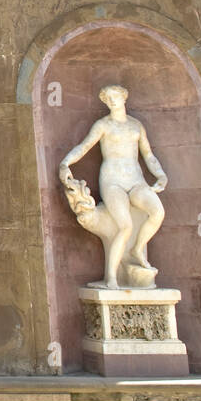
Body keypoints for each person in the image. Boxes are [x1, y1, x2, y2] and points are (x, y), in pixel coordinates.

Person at [58, 85, 167, 289]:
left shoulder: (136, 126)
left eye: (115, 96)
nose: (112, 101)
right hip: (112, 180)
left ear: (124, 98)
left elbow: (149, 155)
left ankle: (136, 249)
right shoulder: (103, 125)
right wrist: (65, 163)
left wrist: (161, 176)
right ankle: (111, 277)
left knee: (158, 213)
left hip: (136, 180)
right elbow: (84, 146)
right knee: (124, 226)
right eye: (108, 98)